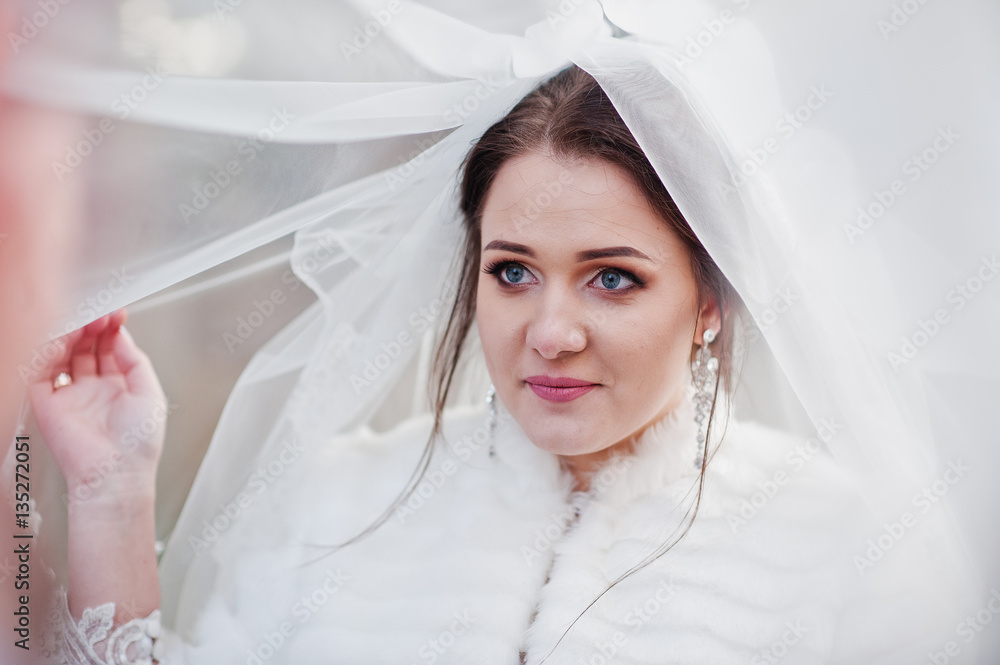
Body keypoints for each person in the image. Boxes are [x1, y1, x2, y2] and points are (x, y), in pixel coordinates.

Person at [31, 65, 939, 665]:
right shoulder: (339, 504)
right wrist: (112, 491)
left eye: (612, 279)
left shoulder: (845, 550)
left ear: (709, 300)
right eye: (512, 271)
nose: (549, 331)